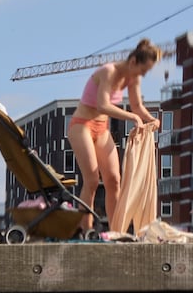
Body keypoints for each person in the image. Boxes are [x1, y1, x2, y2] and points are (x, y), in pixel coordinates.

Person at [67, 40, 160, 223]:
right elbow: (102, 105)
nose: (143, 74)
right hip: (82, 125)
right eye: (143, 70)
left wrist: (151, 119)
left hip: (102, 128)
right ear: (133, 61)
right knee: (92, 180)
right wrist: (132, 118)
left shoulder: (134, 78)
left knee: (114, 180)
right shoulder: (108, 72)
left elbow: (136, 106)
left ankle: (116, 230)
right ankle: (86, 230)